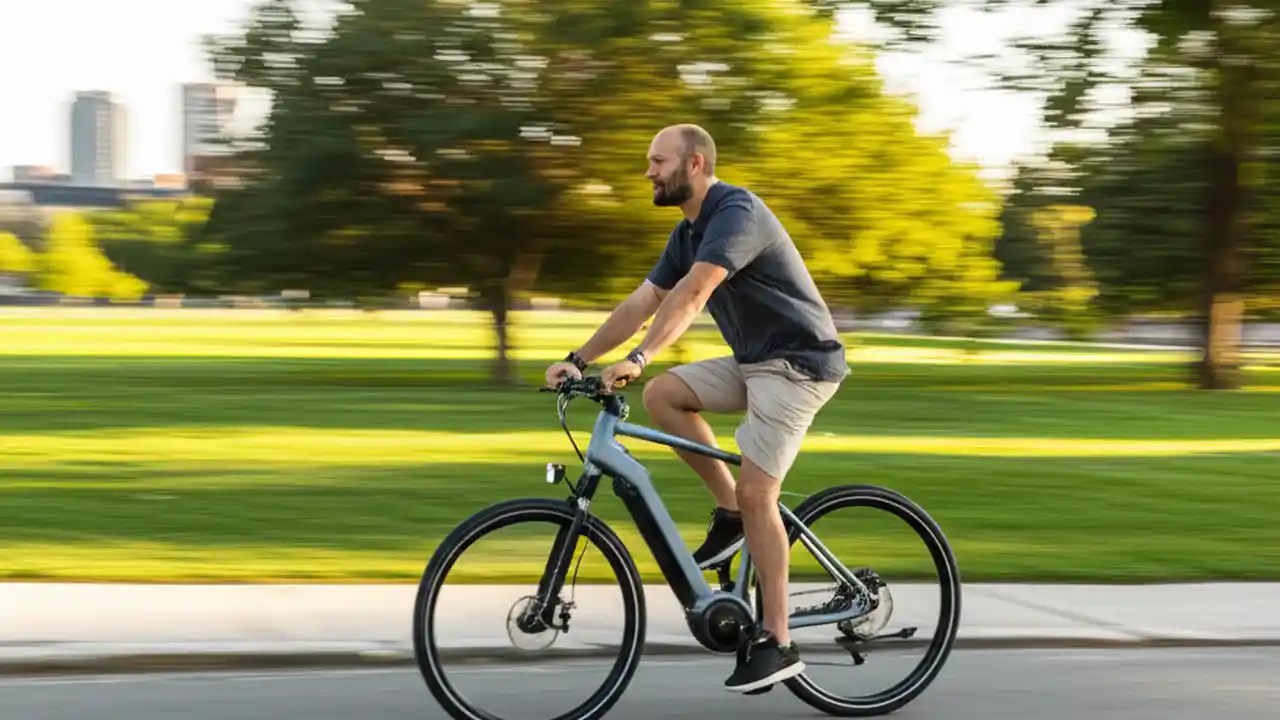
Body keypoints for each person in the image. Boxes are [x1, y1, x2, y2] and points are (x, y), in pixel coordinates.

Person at [543, 123, 849, 694]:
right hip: (756, 362)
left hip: (799, 366)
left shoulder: (737, 213)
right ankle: (730, 513)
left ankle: (778, 641)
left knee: (763, 493)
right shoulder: (687, 232)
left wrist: (640, 355)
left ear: (696, 164)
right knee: (663, 395)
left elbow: (694, 293)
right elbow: (645, 299)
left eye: (658, 161)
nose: (648, 172)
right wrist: (579, 360)